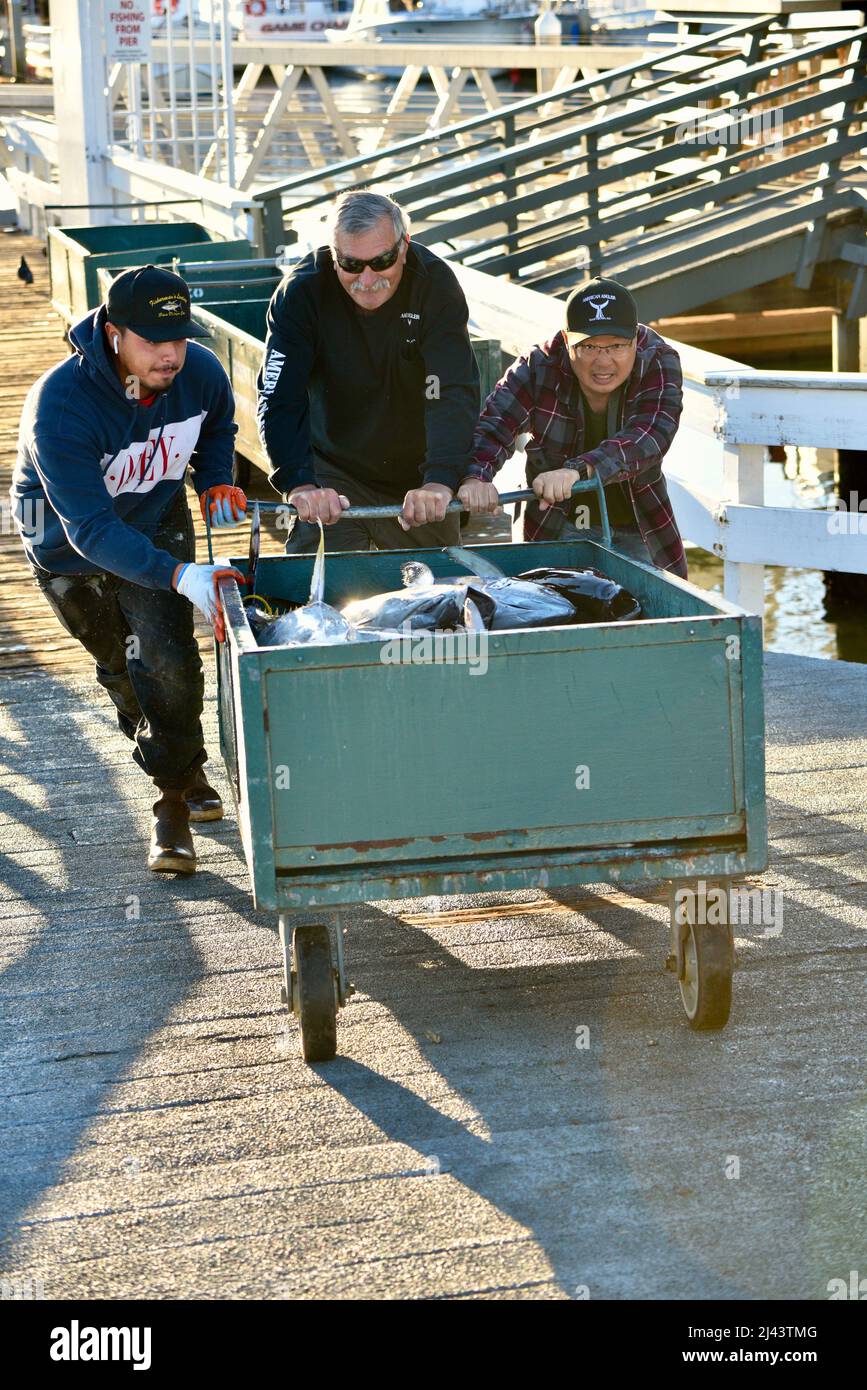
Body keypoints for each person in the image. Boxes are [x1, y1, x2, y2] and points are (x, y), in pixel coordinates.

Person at [10, 265, 248, 876]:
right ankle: (183, 762)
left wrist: (217, 476)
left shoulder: (200, 370)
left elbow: (218, 423)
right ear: (113, 334)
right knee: (120, 664)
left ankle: (170, 801)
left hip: (152, 513)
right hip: (66, 541)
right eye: (152, 340)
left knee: (167, 658)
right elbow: (87, 530)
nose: (170, 354)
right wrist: (180, 576)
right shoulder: (60, 406)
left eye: (178, 336)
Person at [257, 189, 480, 551]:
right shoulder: (300, 293)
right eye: (351, 264)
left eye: (382, 261)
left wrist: (440, 479)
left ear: (404, 246)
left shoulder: (436, 285)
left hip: (418, 472)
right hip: (334, 467)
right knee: (316, 588)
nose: (367, 278)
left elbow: (453, 390)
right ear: (333, 256)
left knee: (439, 592)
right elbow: (279, 395)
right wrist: (299, 483)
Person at [458, 276, 688, 577]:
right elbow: (494, 424)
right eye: (589, 346)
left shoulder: (658, 360)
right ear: (567, 341)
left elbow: (651, 435)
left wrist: (576, 471)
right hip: (553, 524)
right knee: (548, 611)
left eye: (616, 346)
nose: (603, 362)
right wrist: (476, 476)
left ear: (635, 339)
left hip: (640, 524)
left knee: (660, 614)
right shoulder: (537, 365)